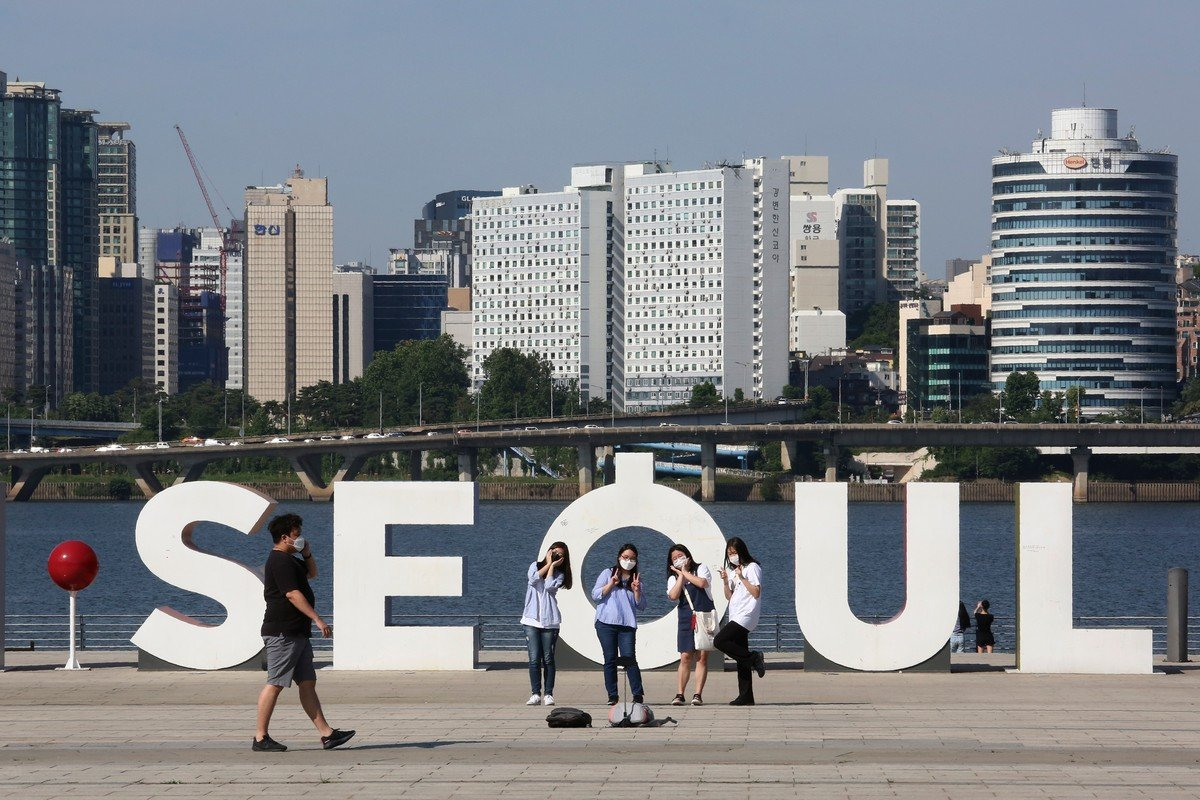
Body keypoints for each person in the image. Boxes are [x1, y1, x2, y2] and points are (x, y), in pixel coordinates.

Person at [253, 513, 355, 753]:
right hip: (283, 632)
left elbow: (312, 574)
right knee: (275, 683)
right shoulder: (278, 561)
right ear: (284, 537)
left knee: (308, 682)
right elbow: (292, 594)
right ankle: (260, 737)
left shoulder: (291, 560)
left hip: (297, 633)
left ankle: (328, 734)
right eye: (297, 535)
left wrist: (306, 552)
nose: (301, 538)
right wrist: (317, 619)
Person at [592, 543, 647, 705]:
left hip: (627, 625)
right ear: (619, 557)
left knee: (629, 658)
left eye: (632, 558)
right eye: (625, 557)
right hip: (606, 624)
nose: (628, 561)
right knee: (610, 659)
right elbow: (595, 595)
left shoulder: (636, 578)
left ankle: (637, 694)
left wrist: (637, 590)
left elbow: (642, 605)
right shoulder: (608, 573)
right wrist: (611, 583)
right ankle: (612, 695)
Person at [713, 537, 764, 706]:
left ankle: (754, 657)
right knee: (740, 655)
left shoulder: (752, 568)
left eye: (734, 552)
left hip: (746, 615)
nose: (732, 556)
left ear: (742, 551)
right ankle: (746, 696)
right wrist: (726, 580)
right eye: (729, 554)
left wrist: (742, 577)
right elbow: (729, 597)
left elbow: (756, 592)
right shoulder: (736, 571)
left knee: (719, 640)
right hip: (736, 615)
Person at [521, 541, 572, 707]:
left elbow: (549, 586)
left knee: (548, 659)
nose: (557, 556)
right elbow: (533, 580)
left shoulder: (559, 574)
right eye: (554, 552)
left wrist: (552, 566)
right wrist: (549, 563)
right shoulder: (534, 566)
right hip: (531, 620)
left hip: (550, 622)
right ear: (548, 551)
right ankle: (535, 693)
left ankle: (548, 694)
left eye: (560, 555)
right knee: (534, 658)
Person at [666, 543, 715, 706]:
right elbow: (673, 595)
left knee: (702, 657)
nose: (678, 559)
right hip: (686, 617)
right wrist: (680, 575)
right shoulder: (672, 578)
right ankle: (680, 694)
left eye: (681, 555)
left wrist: (686, 572)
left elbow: (702, 584)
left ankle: (697, 694)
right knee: (685, 656)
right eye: (674, 558)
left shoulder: (701, 568)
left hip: (704, 615)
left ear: (688, 555)